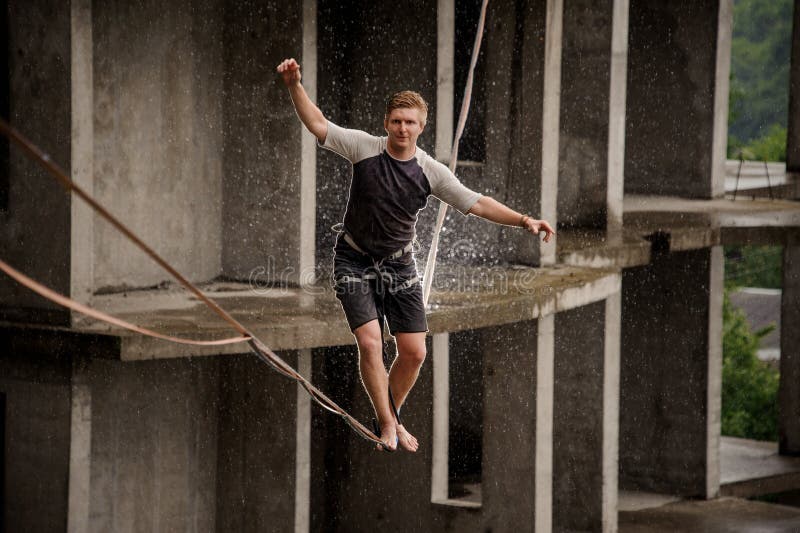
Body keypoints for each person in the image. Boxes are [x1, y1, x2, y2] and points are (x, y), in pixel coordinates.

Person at [277, 58, 554, 452]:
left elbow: (477, 202)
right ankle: (388, 425)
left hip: (399, 264)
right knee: (370, 343)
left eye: (410, 122)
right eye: (396, 121)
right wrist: (294, 85)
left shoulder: (430, 171)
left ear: (421, 127)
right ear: (386, 123)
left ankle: (391, 417)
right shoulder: (364, 147)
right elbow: (318, 123)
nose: (402, 128)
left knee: (414, 352)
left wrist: (525, 220)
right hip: (353, 260)